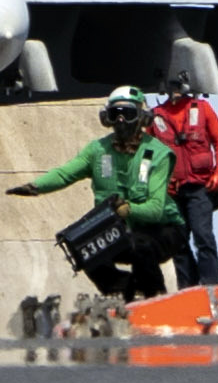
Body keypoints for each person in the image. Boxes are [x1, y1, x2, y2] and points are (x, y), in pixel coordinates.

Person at [11, 88, 188, 301]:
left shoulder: (158, 155)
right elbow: (66, 173)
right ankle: (123, 291)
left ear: (141, 118)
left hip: (163, 230)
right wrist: (35, 187)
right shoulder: (98, 151)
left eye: (128, 114)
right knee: (84, 248)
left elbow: (156, 208)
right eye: (115, 115)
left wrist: (129, 209)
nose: (121, 121)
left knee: (142, 245)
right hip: (122, 231)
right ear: (107, 118)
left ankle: (155, 297)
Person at [150, 62, 218, 290]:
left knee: (203, 237)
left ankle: (211, 286)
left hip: (200, 188)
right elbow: (145, 154)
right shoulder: (155, 117)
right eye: (170, 85)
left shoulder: (203, 109)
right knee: (178, 242)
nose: (174, 90)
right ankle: (187, 287)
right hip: (172, 192)